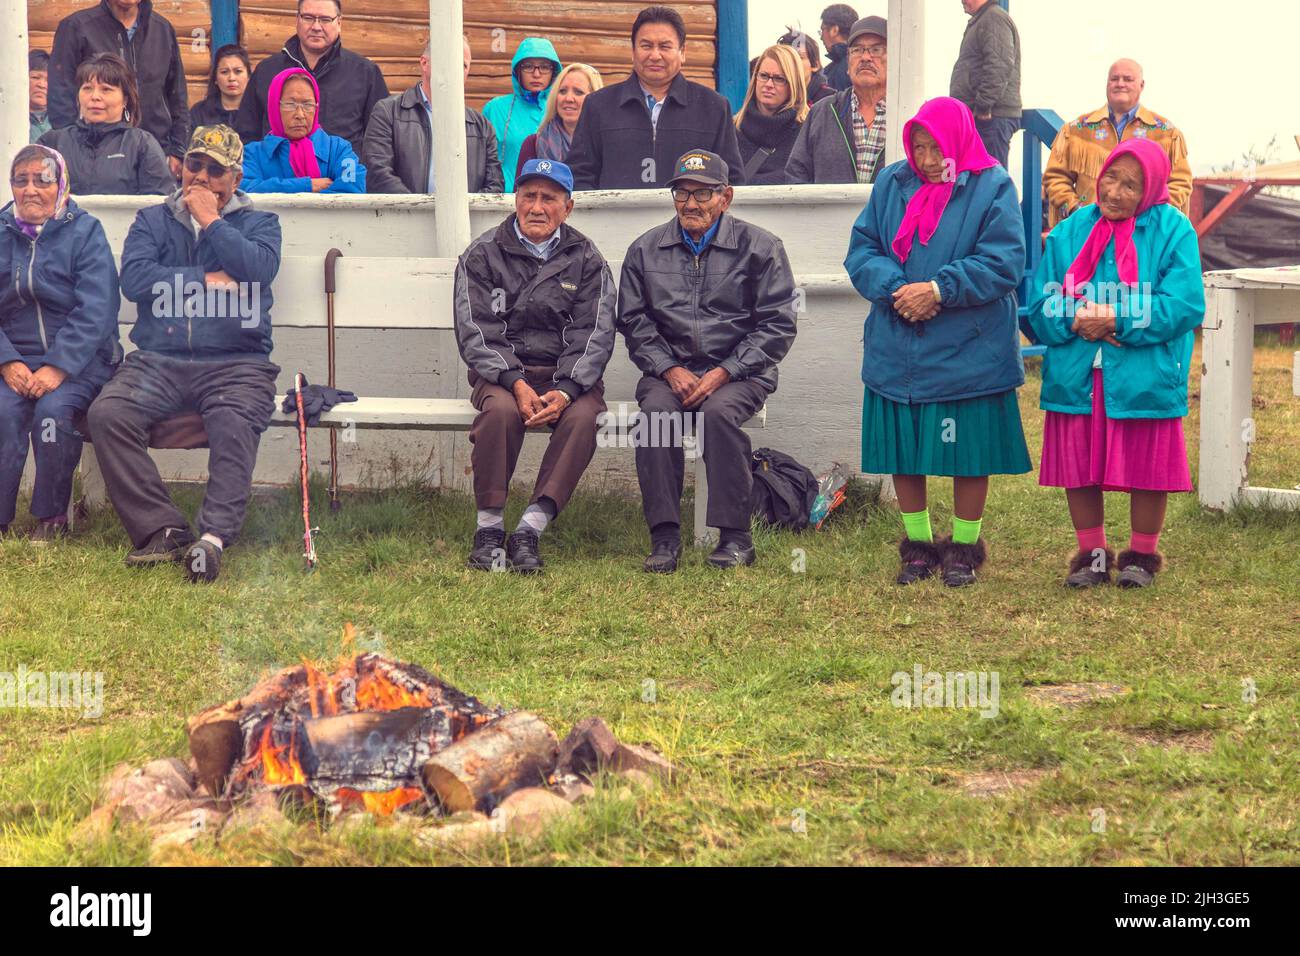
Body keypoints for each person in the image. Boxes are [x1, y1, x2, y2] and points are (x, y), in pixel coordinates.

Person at [844, 97, 1029, 587]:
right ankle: (919, 547)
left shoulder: (992, 186)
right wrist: (896, 289)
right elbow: (863, 248)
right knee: (907, 447)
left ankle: (964, 549)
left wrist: (940, 289)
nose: (927, 160)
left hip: (969, 346)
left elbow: (1005, 261)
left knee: (968, 449)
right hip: (899, 338)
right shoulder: (892, 182)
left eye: (937, 148)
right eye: (918, 147)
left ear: (959, 143)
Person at [86, 125, 282, 584]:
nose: (201, 176)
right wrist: (204, 279)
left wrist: (212, 221)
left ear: (234, 179)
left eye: (215, 170)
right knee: (108, 414)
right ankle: (164, 528)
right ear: (181, 167)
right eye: (195, 164)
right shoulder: (152, 221)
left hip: (237, 363)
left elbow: (256, 272)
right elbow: (135, 282)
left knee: (234, 422)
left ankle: (212, 539)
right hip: (159, 359)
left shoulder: (259, 224)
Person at [1028, 139, 1204, 589]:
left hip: (1146, 372)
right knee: (1082, 463)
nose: (1115, 192)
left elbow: (1183, 304)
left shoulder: (1173, 230)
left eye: (1131, 185)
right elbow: (1040, 303)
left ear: (1151, 189)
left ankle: (1141, 557)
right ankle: (1093, 557)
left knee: (1147, 462)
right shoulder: (1071, 231)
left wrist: (1117, 317)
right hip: (1078, 370)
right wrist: (1073, 317)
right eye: (1110, 178)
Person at [617, 149, 797, 571]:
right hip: (668, 371)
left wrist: (726, 371)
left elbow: (778, 325)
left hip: (741, 372)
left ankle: (735, 537)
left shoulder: (761, 247)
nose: (692, 203)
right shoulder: (646, 250)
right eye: (682, 192)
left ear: (726, 196)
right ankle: (664, 538)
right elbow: (633, 321)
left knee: (717, 415)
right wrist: (668, 367)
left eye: (704, 193)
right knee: (657, 416)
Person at [453, 159, 616, 574]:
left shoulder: (587, 259)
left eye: (549, 198)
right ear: (516, 200)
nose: (537, 207)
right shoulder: (483, 254)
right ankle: (489, 530)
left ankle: (529, 529)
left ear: (568, 207)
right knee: (500, 413)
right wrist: (515, 381)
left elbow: (594, 332)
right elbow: (476, 328)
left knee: (583, 419)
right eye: (529, 196)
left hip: (568, 378)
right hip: (503, 375)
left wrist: (565, 390)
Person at [0, 145, 120, 541]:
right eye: (21, 180)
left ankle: (52, 517)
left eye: (42, 179)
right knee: (3, 413)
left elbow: (98, 308)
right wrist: (6, 361)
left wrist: (58, 365)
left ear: (61, 183)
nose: (31, 189)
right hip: (14, 360)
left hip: (80, 362)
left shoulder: (84, 231)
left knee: (52, 415)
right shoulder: (2, 231)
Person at [566, 6, 746, 190]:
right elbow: (579, 176)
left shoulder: (714, 107)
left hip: (690, 218)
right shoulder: (598, 105)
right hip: (614, 217)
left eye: (665, 46)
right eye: (646, 46)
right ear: (633, 50)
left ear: (682, 52)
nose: (655, 55)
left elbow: (731, 180)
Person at [1042, 59, 1193, 229]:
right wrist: (1076, 210)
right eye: (1114, 79)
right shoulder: (1076, 130)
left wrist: (1150, 216)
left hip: (1143, 234)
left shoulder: (1167, 133)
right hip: (1087, 231)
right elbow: (1055, 177)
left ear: (1141, 85)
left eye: (1128, 79)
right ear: (1107, 83)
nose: (1120, 84)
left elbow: (1180, 182)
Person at [47, 0, 190, 175]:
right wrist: (73, 152)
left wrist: (178, 151)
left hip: (157, 153)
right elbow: (60, 97)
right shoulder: (77, 27)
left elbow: (177, 96)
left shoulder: (162, 29)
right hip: (92, 158)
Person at [235, 0, 389, 158]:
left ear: (339, 22)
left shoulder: (365, 72)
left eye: (325, 19)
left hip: (343, 178)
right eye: (308, 18)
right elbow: (246, 135)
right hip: (279, 178)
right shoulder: (267, 71)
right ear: (297, 20)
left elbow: (381, 138)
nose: (316, 27)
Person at [363, 38, 503, 194]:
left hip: (463, 218)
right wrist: (418, 212)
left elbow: (495, 186)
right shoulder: (387, 112)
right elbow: (378, 174)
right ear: (424, 63)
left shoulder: (482, 127)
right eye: (448, 61)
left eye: (463, 65)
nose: (455, 70)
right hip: (403, 217)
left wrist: (459, 216)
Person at [39, 52, 174, 195]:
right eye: (87, 88)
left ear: (125, 100)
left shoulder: (141, 144)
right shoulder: (53, 143)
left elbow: (159, 203)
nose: (95, 97)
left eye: (106, 89)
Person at [786, 15, 888, 184]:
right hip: (826, 211)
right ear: (848, 63)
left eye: (876, 50)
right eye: (857, 50)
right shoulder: (822, 112)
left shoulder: (910, 114)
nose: (865, 57)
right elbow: (796, 173)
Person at [241, 68, 366, 194]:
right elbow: (243, 190)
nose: (300, 114)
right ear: (274, 107)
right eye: (290, 104)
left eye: (308, 105)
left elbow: (352, 187)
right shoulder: (253, 154)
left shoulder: (338, 150)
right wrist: (306, 185)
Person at [481, 37, 562, 193]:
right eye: (528, 66)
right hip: (505, 199)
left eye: (544, 67)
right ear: (517, 70)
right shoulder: (496, 108)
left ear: (554, 72)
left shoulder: (560, 107)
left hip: (552, 197)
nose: (536, 73)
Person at [948, 0, 1021, 169]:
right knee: (981, 179)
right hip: (984, 116)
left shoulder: (993, 18)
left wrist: (983, 106)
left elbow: (1000, 64)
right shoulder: (985, 19)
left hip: (990, 117)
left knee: (991, 180)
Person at [734, 45, 809, 186]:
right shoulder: (732, 129)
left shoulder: (806, 133)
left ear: (794, 84)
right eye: (763, 76)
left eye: (779, 79)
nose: (768, 84)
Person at [514, 63, 603, 181]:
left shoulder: (606, 146)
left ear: (595, 97)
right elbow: (520, 195)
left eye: (578, 92)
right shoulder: (533, 144)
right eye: (562, 91)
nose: (568, 98)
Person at [189, 44, 251, 131]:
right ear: (216, 78)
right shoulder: (199, 112)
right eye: (224, 72)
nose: (231, 78)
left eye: (238, 71)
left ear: (248, 76)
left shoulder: (258, 112)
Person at [777, 29, 835, 104]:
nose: (791, 63)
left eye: (798, 57)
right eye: (786, 58)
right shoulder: (773, 99)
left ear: (815, 65)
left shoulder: (831, 103)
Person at [819, 4, 858, 92]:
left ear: (834, 30)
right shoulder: (861, 63)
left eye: (822, 30)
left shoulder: (836, 70)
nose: (821, 37)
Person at [29, 51, 52, 143]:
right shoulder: (10, 117)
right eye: (35, 77)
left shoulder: (61, 119)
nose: (42, 85)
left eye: (48, 79)